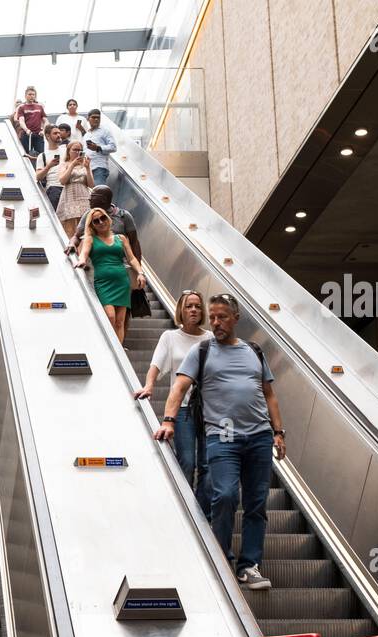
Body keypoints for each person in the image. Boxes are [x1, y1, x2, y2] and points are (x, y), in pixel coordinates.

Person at [152, 294, 287, 589]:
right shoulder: (201, 351)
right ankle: (221, 556)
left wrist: (278, 431)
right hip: (223, 435)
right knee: (224, 495)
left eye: (222, 317)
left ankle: (249, 565)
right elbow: (179, 387)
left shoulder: (253, 351)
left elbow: (269, 394)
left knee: (256, 503)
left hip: (259, 436)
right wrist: (168, 420)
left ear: (236, 318)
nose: (215, 322)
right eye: (212, 317)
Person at [134, 291, 213, 512]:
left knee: (207, 464)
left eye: (197, 306)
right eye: (189, 306)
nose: (194, 310)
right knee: (186, 461)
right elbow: (156, 365)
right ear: (181, 309)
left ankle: (203, 514)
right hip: (183, 408)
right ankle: (186, 510)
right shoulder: (170, 337)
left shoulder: (210, 339)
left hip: (209, 410)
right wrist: (149, 385)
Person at [76, 208, 146, 345]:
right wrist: (82, 260)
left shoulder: (121, 238)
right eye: (96, 221)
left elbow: (131, 259)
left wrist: (140, 273)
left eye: (103, 218)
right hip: (103, 282)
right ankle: (107, 347)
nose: (101, 222)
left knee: (120, 322)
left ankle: (118, 352)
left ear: (108, 218)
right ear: (92, 225)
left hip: (122, 282)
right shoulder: (90, 239)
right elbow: (84, 253)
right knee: (110, 316)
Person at [55, 140, 93, 238]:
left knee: (85, 224)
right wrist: (72, 165)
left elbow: (91, 184)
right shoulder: (64, 164)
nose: (77, 153)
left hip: (84, 195)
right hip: (69, 196)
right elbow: (62, 181)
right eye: (75, 150)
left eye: (80, 150)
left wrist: (88, 168)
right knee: (70, 226)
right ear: (69, 151)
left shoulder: (85, 165)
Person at [11, 86, 48, 163]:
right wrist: (26, 130)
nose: (32, 96)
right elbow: (21, 121)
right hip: (27, 134)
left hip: (39, 134)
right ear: (25, 96)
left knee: (41, 155)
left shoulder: (40, 107)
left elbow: (46, 121)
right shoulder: (22, 107)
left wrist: (44, 131)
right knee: (26, 155)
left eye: (33, 94)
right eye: (30, 94)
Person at [83, 108, 117, 187]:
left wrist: (98, 148)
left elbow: (113, 147)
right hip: (86, 169)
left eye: (98, 117)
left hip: (99, 167)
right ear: (88, 118)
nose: (96, 119)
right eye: (93, 117)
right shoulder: (86, 135)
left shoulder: (105, 131)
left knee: (98, 192)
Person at [35, 125, 66, 208]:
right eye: (55, 133)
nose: (58, 135)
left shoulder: (66, 150)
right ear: (48, 136)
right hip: (54, 189)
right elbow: (38, 177)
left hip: (68, 188)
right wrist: (49, 166)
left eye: (59, 133)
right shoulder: (42, 156)